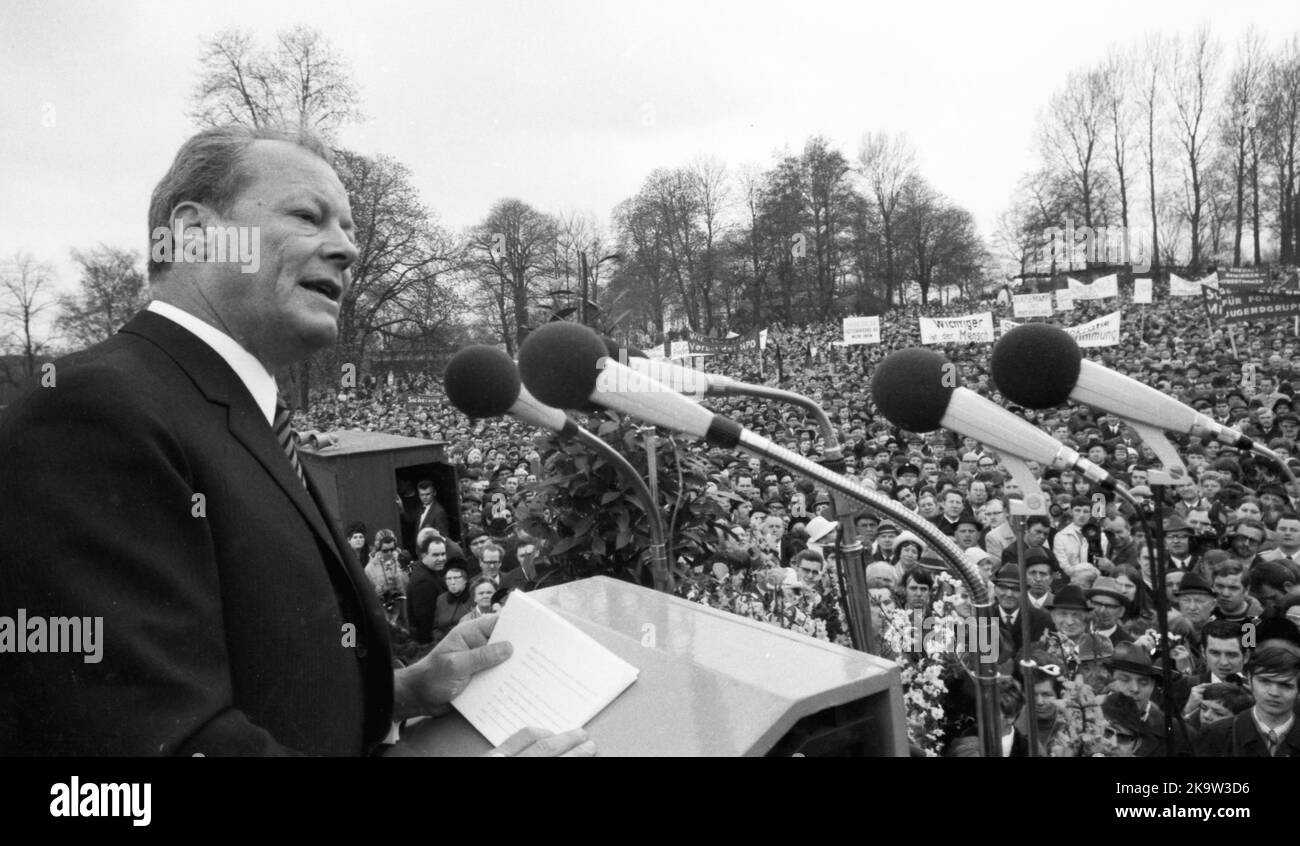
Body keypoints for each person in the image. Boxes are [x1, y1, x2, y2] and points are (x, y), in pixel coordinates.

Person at [0, 125, 590, 757]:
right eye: (309, 216)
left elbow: (258, 673)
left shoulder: (245, 412)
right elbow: (149, 745)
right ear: (196, 232)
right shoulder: (92, 411)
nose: (346, 250)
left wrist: (397, 692)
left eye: (349, 229)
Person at [1197, 647, 1300, 756]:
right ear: (1250, 680)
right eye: (1265, 681)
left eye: (1285, 685)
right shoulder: (1215, 734)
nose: (1274, 692)